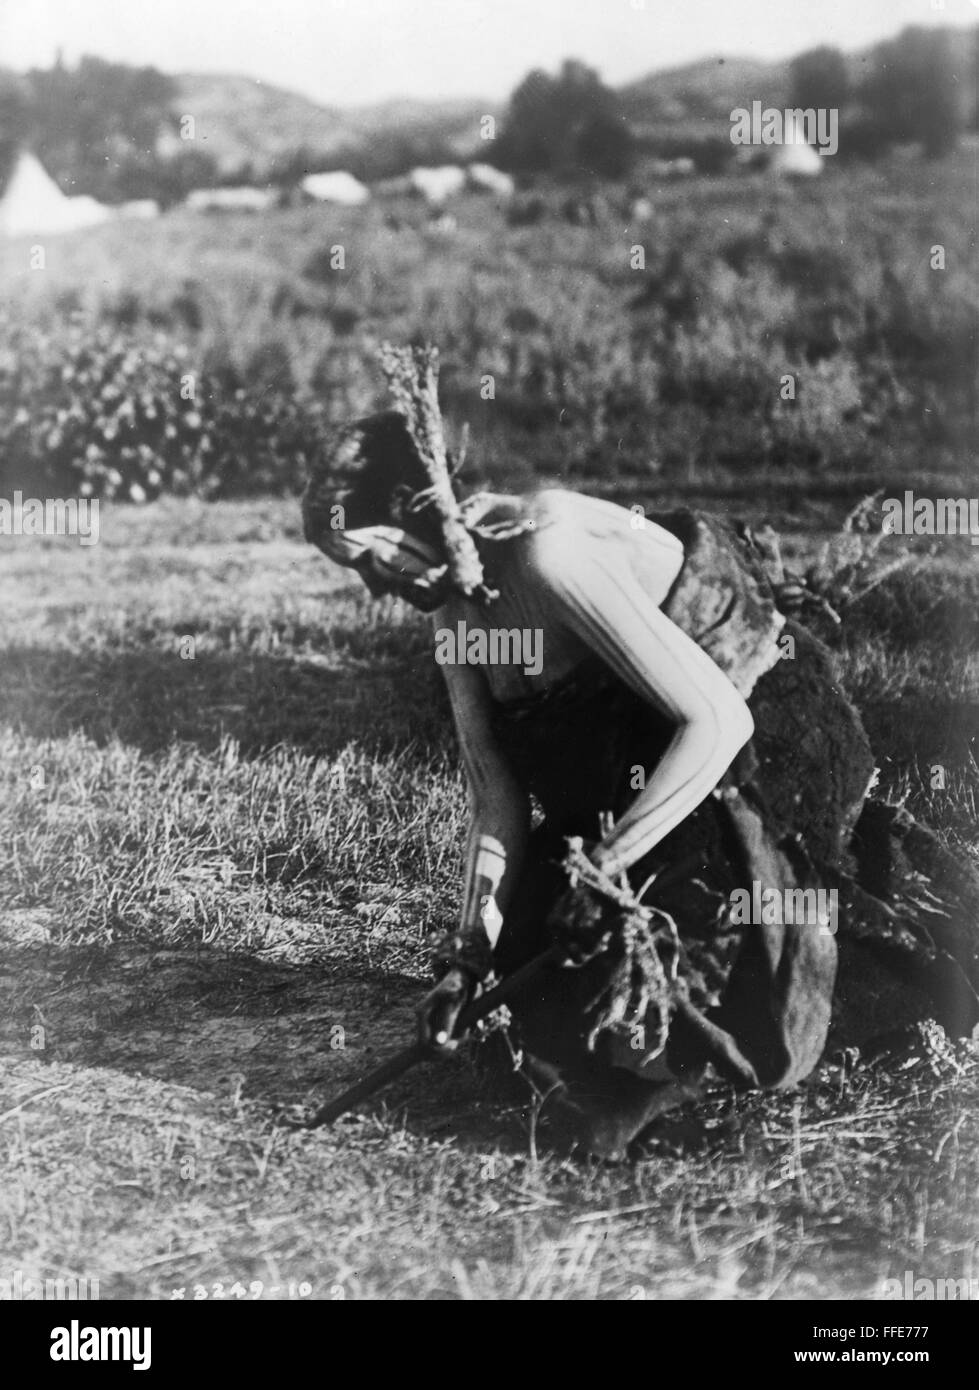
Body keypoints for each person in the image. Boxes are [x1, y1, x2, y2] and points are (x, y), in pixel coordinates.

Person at [304, 407, 979, 1159]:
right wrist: (464, 965)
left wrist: (605, 873)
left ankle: (857, 914)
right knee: (551, 960)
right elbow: (495, 799)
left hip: (765, 734)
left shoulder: (548, 552)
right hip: (642, 762)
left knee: (691, 946)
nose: (369, 586)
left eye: (366, 558)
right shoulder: (455, 611)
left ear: (415, 509)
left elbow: (719, 723)